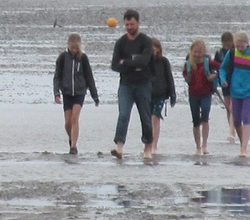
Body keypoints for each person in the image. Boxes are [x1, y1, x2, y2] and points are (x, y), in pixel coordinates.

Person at [106, 11, 153, 160]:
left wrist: (125, 62)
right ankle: (119, 148)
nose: (129, 27)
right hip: (125, 84)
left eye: (132, 24)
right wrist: (131, 65)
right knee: (123, 114)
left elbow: (144, 62)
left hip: (143, 84)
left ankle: (147, 148)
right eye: (127, 24)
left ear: (138, 23)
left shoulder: (146, 41)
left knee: (145, 116)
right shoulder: (120, 43)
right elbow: (114, 65)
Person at [53, 34, 100, 155]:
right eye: (72, 48)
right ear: (68, 46)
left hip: (79, 92)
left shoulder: (83, 58)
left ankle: (73, 146)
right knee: (68, 123)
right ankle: (71, 138)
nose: (74, 50)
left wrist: (94, 95)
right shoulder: (62, 58)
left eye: (76, 48)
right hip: (67, 92)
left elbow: (89, 77)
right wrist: (56, 93)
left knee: (75, 118)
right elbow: (57, 77)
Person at [220, 32, 250, 157]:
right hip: (235, 90)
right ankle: (242, 142)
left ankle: (243, 148)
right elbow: (223, 68)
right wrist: (223, 80)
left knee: (246, 117)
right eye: (237, 46)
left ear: (247, 44)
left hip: (249, 91)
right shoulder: (231, 53)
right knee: (237, 120)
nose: (240, 49)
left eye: (242, 47)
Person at [184, 39, 216, 155]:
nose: (197, 54)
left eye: (200, 52)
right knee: (195, 121)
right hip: (193, 95)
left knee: (205, 118)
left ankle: (205, 145)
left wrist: (214, 76)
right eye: (195, 52)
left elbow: (222, 67)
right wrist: (187, 78)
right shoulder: (188, 64)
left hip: (206, 94)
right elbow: (185, 75)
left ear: (204, 52)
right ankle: (198, 146)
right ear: (191, 51)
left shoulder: (208, 62)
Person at [146, 36, 177, 155]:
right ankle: (148, 144)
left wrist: (172, 93)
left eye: (155, 47)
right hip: (147, 94)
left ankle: (155, 145)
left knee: (155, 117)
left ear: (159, 49)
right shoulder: (145, 62)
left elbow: (169, 77)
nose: (153, 49)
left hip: (160, 94)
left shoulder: (164, 61)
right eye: (151, 47)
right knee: (148, 119)